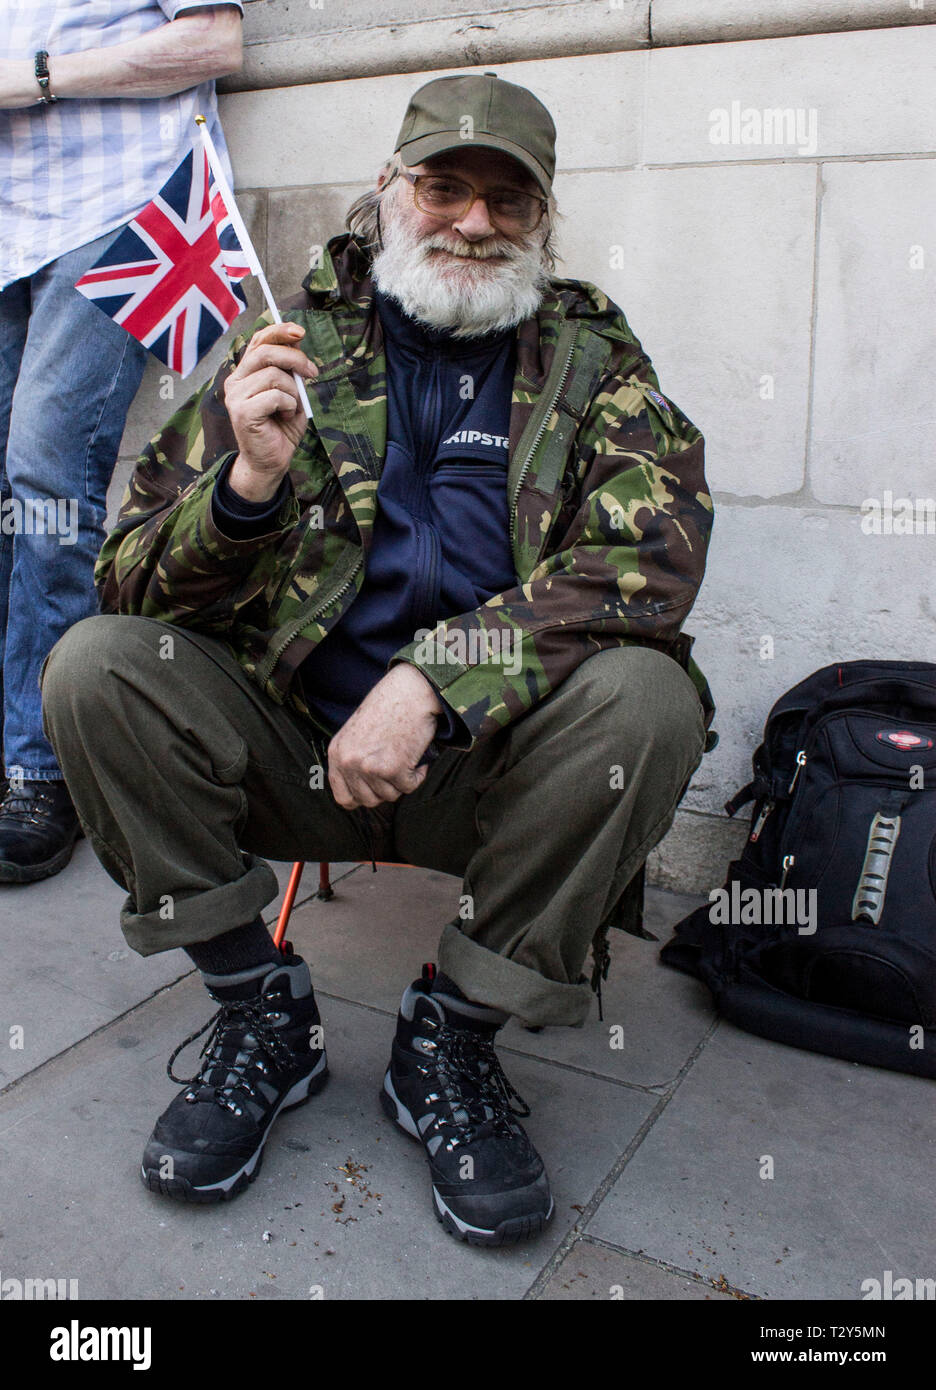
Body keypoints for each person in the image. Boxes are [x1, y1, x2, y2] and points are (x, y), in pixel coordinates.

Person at [40, 73, 715, 1247]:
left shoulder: (592, 362)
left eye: (507, 200)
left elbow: (647, 562)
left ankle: (449, 1037)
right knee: (97, 665)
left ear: (541, 220)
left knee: (650, 698)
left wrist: (432, 685)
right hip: (289, 751)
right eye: (444, 187)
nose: (472, 222)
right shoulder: (285, 348)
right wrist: (243, 492)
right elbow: (129, 577)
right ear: (390, 193)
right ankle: (261, 1011)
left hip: (489, 780)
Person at [0, 0, 243, 882]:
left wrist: (35, 79)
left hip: (116, 210)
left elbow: (216, 40)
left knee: (45, 469)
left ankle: (45, 767)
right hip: (8, 222)